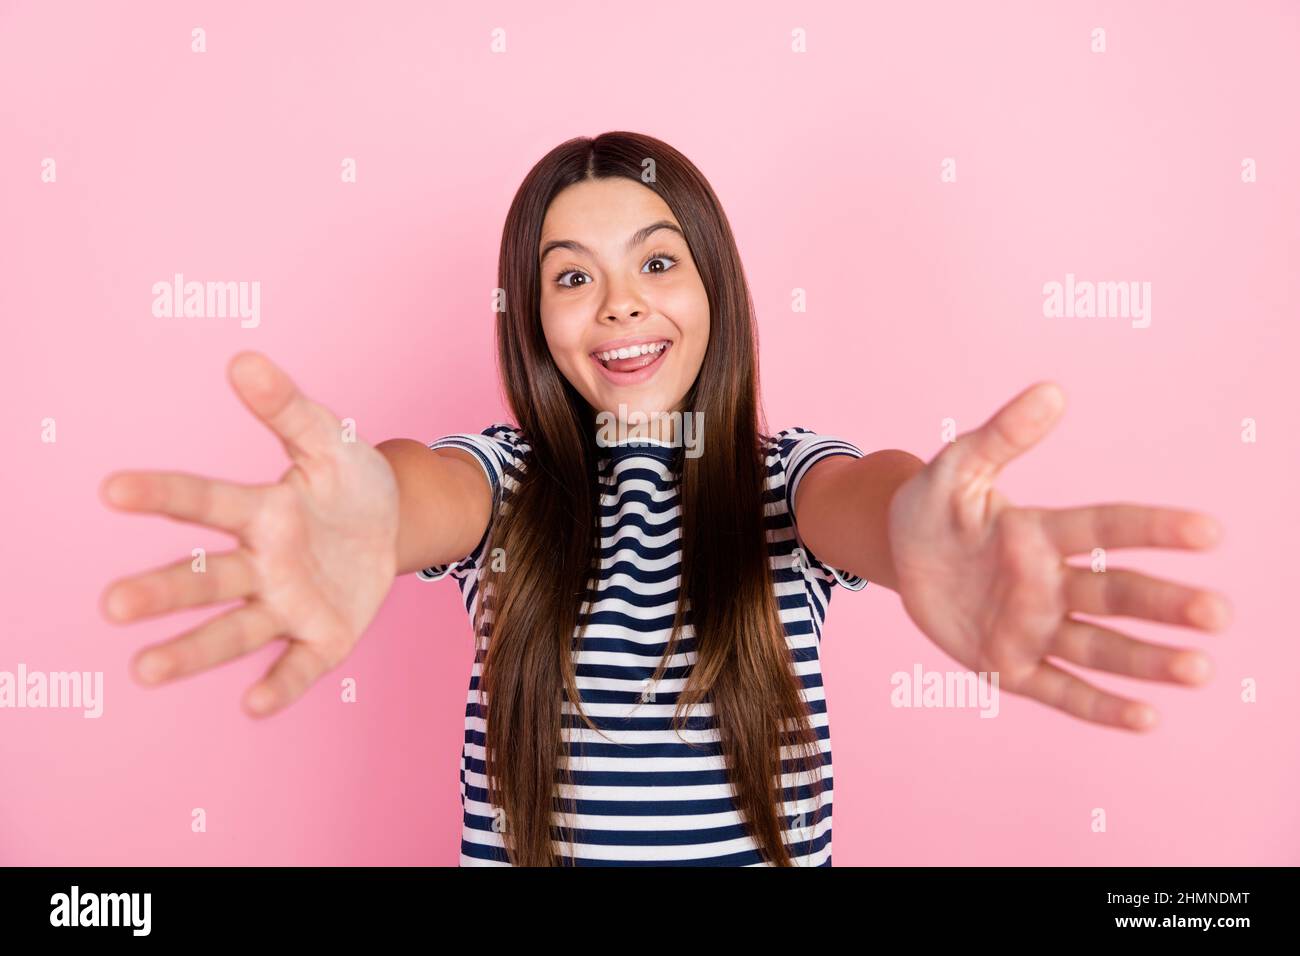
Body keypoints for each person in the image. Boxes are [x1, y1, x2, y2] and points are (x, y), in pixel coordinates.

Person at [98, 131, 1230, 866]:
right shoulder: (506, 484)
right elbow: (414, 490)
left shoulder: (790, 483)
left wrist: (919, 523)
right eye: (571, 276)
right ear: (533, 319)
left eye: (656, 261)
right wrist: (372, 506)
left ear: (712, 286)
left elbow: (873, 502)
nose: (618, 307)